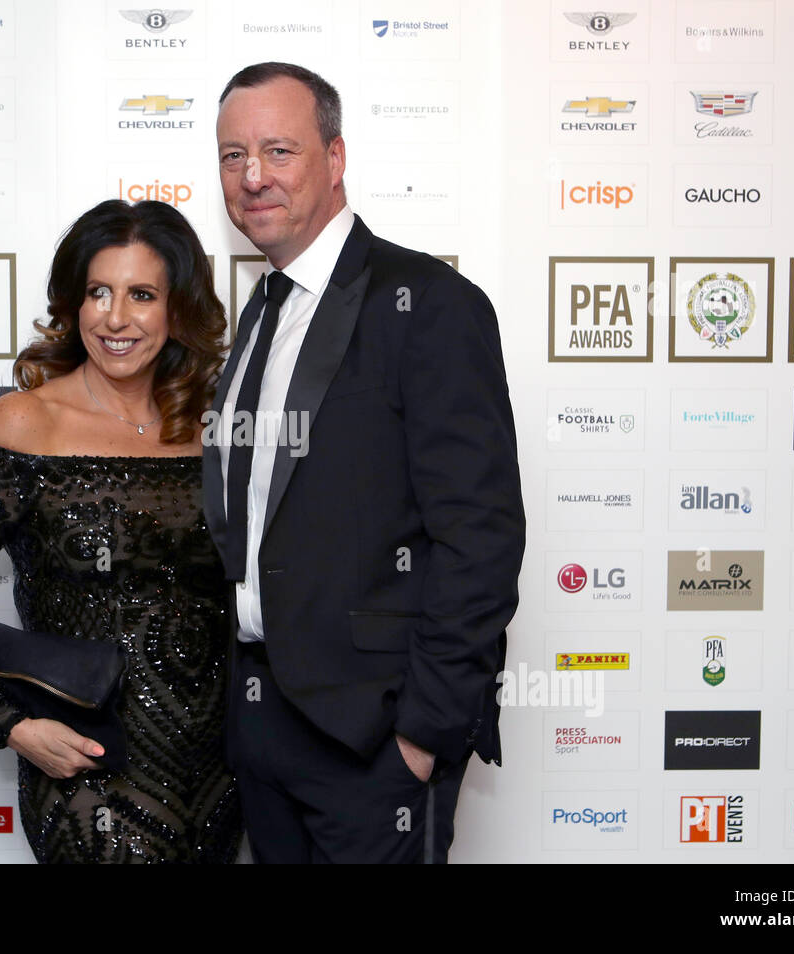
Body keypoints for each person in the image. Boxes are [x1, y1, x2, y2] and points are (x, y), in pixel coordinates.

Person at [207, 62, 526, 863]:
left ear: (336, 157)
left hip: (375, 741)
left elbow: (481, 535)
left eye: (278, 150)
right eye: (233, 156)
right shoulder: (262, 313)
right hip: (263, 730)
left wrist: (422, 734)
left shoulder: (428, 304)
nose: (253, 176)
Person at [0, 198, 241, 863]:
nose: (115, 318)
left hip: (218, 771)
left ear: (177, 308)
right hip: (89, 767)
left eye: (142, 295)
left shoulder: (214, 426)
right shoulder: (27, 424)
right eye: (98, 292)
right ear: (74, 303)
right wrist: (12, 724)